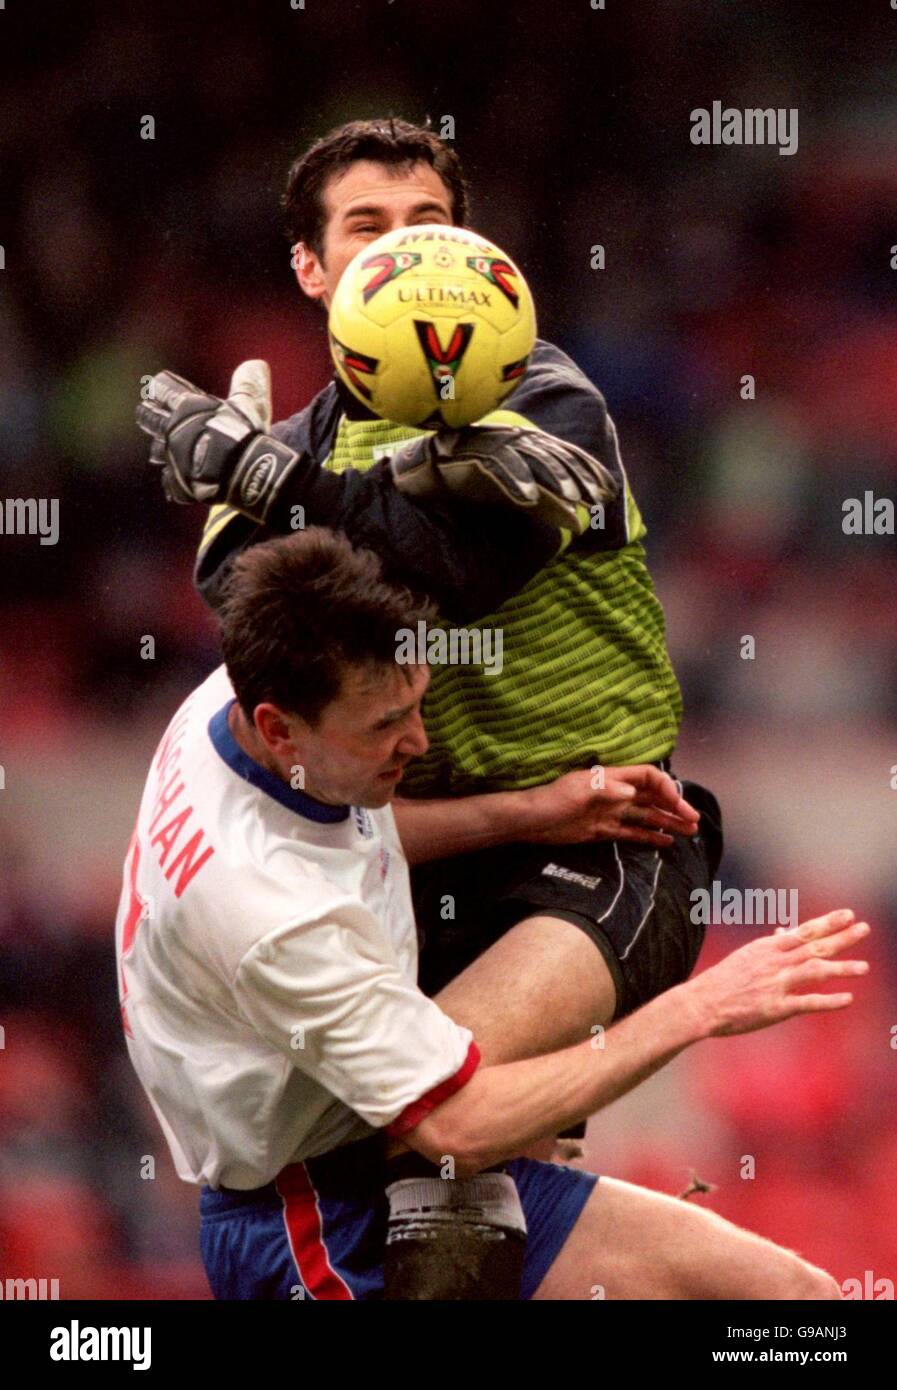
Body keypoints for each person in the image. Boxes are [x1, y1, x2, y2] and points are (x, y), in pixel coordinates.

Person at [136, 120, 724, 1156]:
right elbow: (261, 617)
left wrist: (269, 488)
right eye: (368, 229)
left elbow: (449, 573)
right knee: (465, 1197)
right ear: (314, 270)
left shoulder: (550, 398)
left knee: (422, 1136)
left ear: (474, 255)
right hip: (408, 854)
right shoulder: (290, 444)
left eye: (430, 224)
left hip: (602, 844)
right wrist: (266, 490)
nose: (404, 252)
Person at [115, 529, 865, 1300]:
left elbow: (346, 839)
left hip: (368, 1145)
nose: (419, 740)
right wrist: (700, 1006)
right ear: (277, 727)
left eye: (417, 702)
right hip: (318, 1219)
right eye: (383, 726)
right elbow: (453, 1127)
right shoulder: (266, 913)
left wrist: (531, 813)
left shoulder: (240, 700)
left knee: (796, 1304)